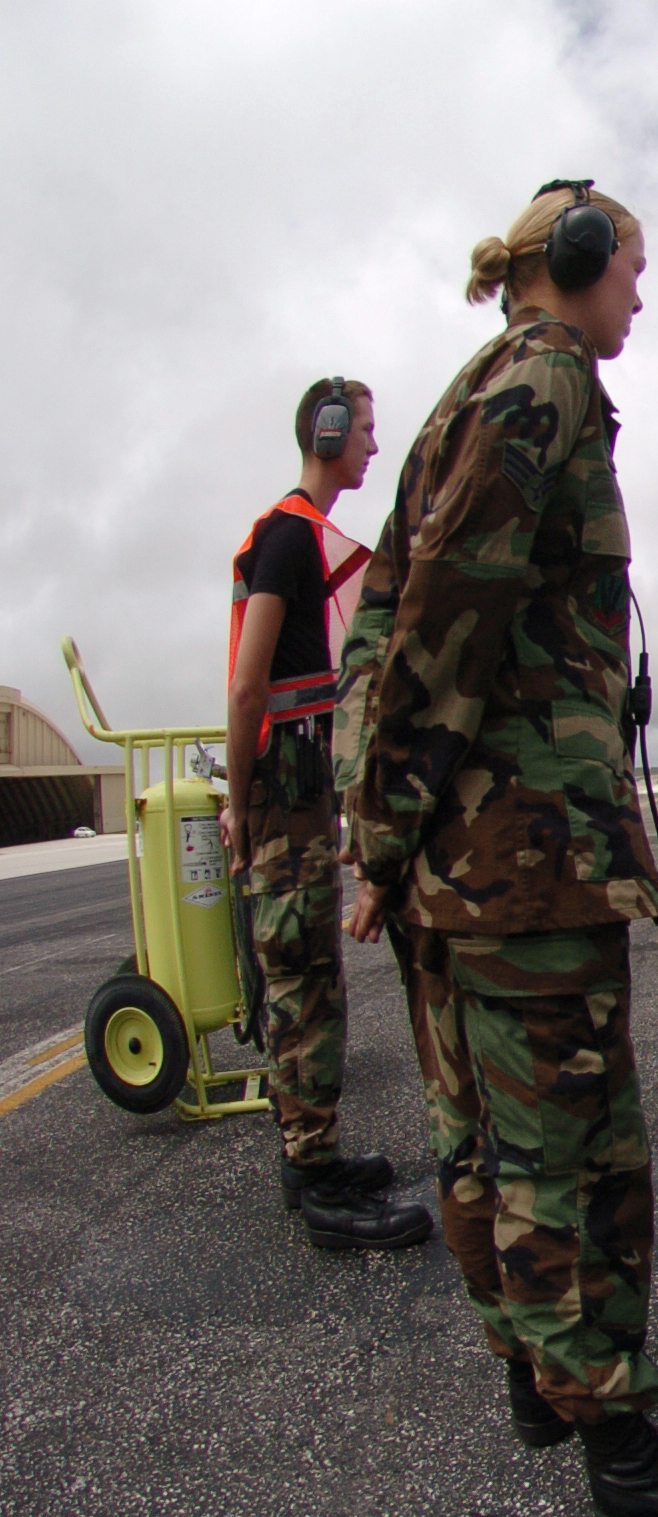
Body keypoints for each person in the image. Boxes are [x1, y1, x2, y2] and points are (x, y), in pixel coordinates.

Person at [334, 181, 658, 1517]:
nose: (642, 297)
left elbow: (386, 633)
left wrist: (382, 832)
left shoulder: (463, 396)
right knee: (573, 1150)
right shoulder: (541, 390)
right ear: (581, 264)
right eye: (635, 271)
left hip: (458, 853)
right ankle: (623, 1447)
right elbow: (443, 625)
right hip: (518, 859)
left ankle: (540, 1386)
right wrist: (383, 833)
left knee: (480, 1136)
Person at [224, 377, 433, 1251]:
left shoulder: (300, 538)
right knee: (302, 982)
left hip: (298, 793)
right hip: (279, 794)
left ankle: (314, 1155)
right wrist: (243, 811)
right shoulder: (287, 538)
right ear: (330, 430)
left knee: (315, 978)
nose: (375, 448)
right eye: (368, 431)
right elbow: (248, 687)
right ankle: (314, 1180)